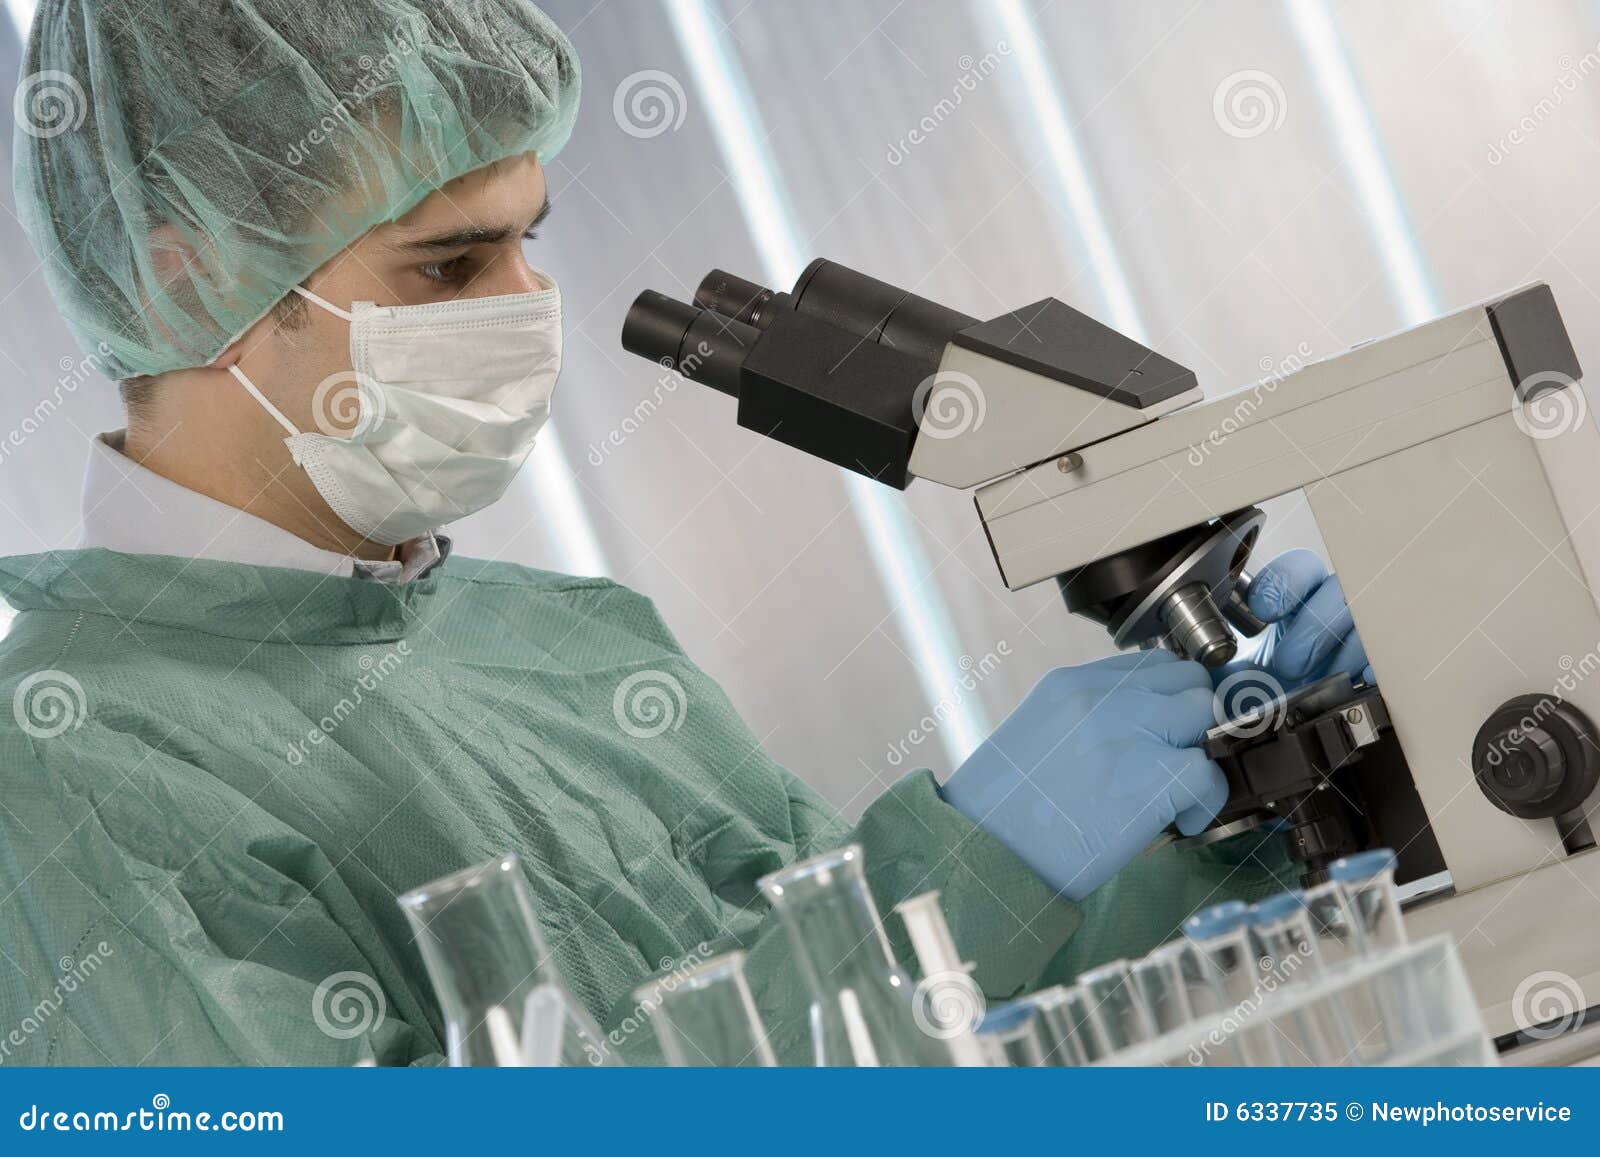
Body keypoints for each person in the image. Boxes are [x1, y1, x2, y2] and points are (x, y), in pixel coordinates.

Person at [0, 0, 1366, 1065]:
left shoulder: (567, 642)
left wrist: (1262, 811)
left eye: (529, 241)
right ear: (188, 279)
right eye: (450, 264)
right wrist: (974, 869)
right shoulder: (65, 782)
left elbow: (913, 1045)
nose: (527, 305)